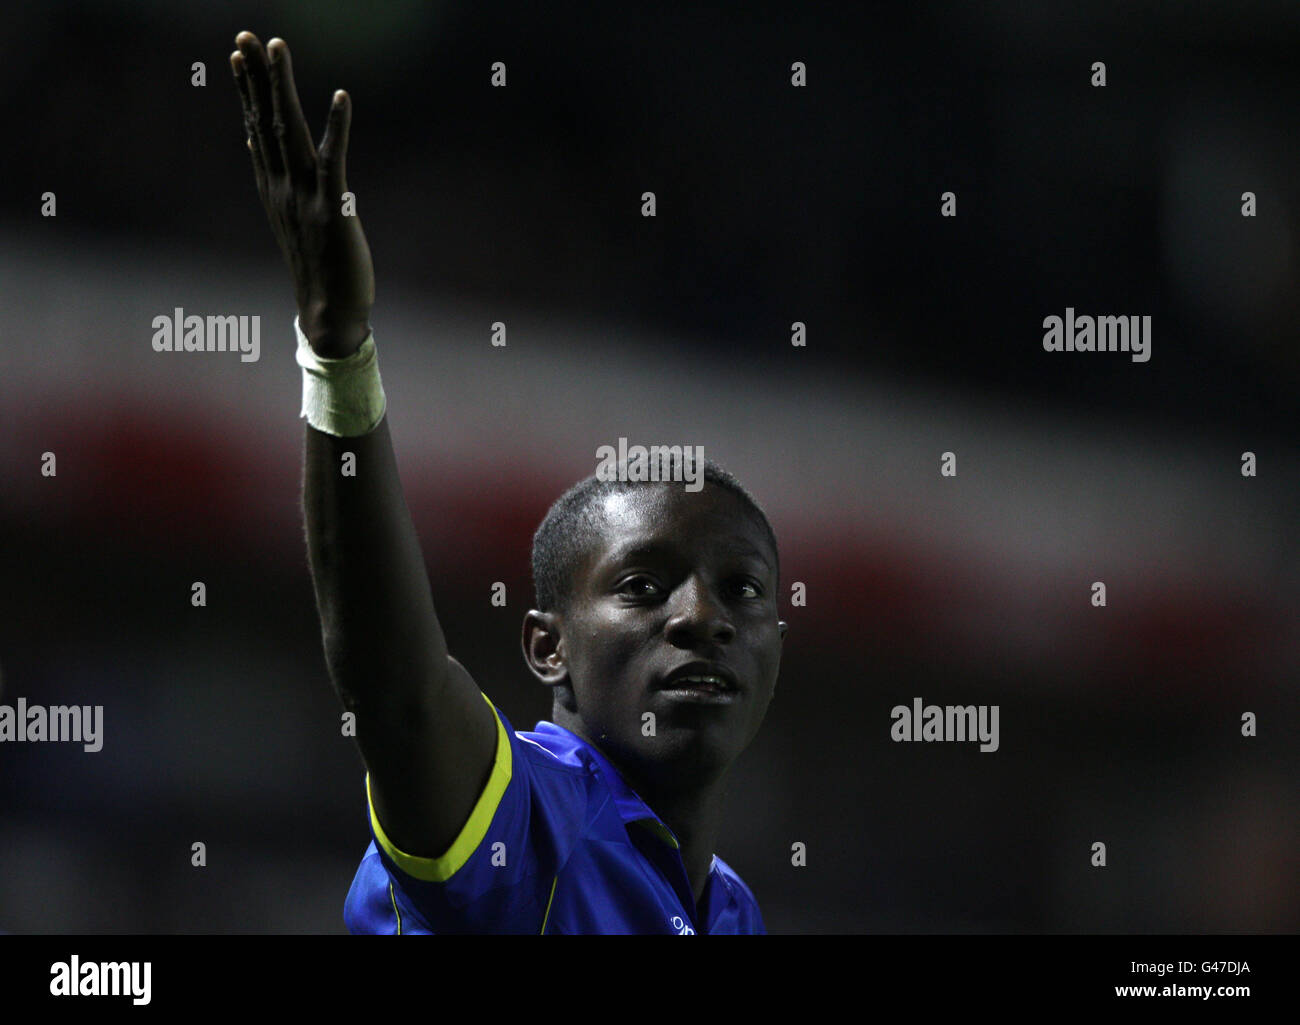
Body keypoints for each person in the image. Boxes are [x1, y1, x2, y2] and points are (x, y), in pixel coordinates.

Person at [230, 31, 786, 933]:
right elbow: (396, 691)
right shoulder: (525, 819)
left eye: (743, 590)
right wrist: (337, 355)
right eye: (643, 585)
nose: (701, 616)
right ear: (546, 646)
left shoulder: (734, 912)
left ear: (776, 650)